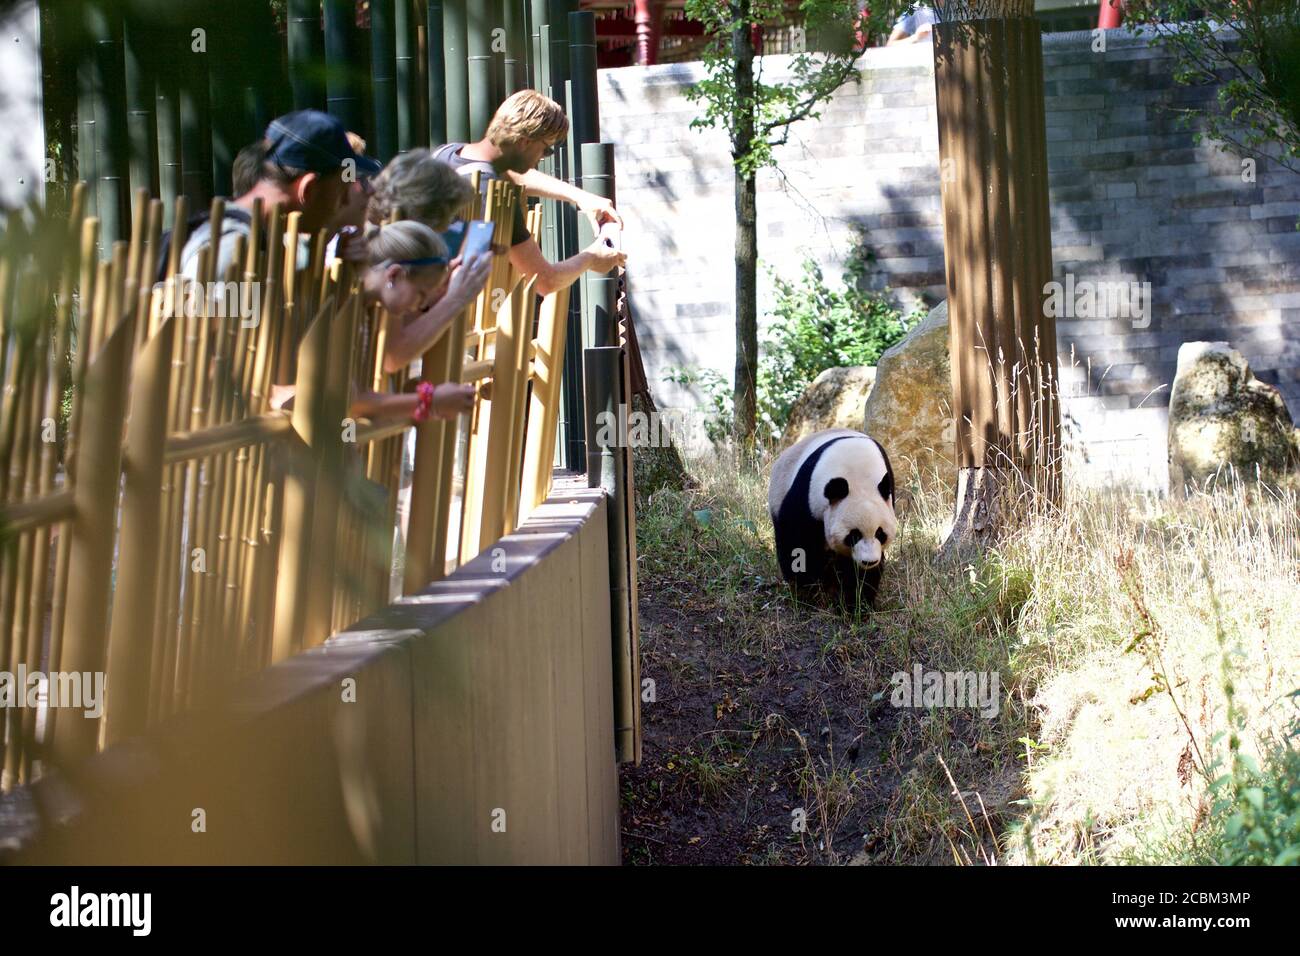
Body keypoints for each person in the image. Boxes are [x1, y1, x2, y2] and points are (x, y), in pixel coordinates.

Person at [432, 89, 626, 296]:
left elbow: (509, 172)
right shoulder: (495, 197)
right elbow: (545, 281)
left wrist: (581, 197)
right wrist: (591, 258)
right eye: (546, 149)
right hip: (452, 311)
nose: (543, 157)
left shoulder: (446, 153)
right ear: (525, 142)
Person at [177, 109, 381, 279]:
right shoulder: (232, 251)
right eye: (341, 191)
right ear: (307, 189)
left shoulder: (264, 241)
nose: (345, 201)